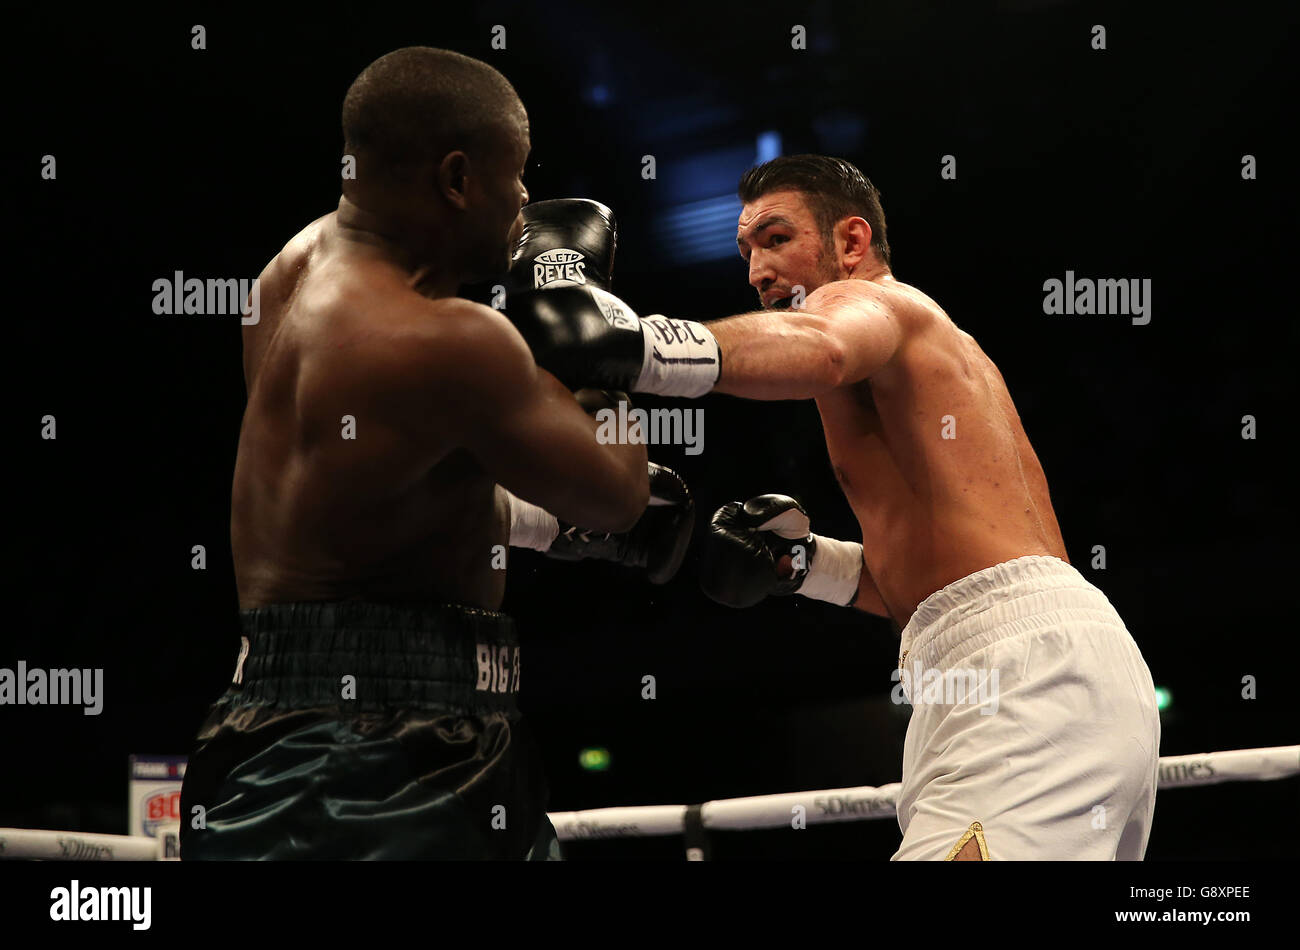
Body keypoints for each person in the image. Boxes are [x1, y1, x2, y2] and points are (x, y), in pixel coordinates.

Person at [504, 154, 1161, 860]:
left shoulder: (875, 305)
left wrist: (635, 345)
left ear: (851, 243)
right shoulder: (935, 358)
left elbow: (822, 350)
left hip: (1025, 682)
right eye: (747, 251)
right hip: (1032, 664)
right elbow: (953, 580)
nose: (756, 271)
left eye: (777, 239)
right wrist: (804, 565)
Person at [179, 47, 675, 860]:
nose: (524, 204)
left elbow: (388, 490)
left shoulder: (281, 279)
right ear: (457, 178)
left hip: (305, 719)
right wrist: (594, 327)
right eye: (515, 178)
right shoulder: (449, 342)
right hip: (379, 757)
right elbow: (617, 497)